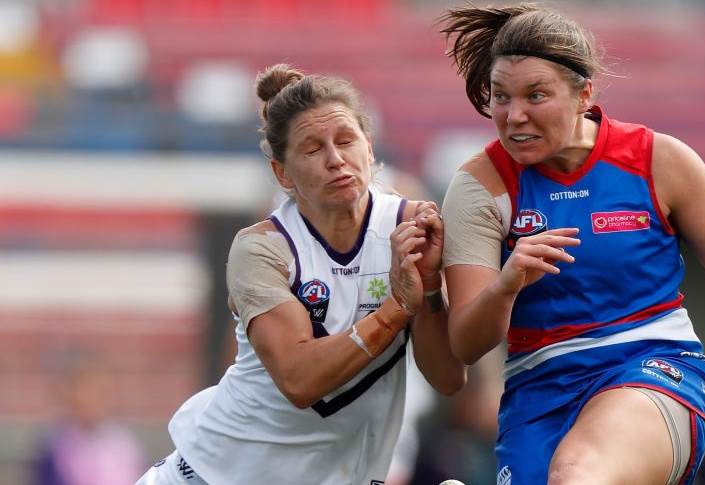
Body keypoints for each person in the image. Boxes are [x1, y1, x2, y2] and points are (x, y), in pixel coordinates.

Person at [436, 4, 705, 484]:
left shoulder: (659, 160)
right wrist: (506, 286)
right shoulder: (476, 187)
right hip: (539, 389)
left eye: (536, 95)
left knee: (577, 474)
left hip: (654, 366)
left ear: (582, 94)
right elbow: (467, 343)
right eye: (501, 97)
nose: (515, 116)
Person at [136, 64, 466, 485]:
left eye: (346, 141)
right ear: (282, 173)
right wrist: (397, 308)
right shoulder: (263, 247)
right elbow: (299, 380)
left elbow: (448, 379)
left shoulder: (410, 227)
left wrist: (431, 289)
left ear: (369, 147)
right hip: (215, 473)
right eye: (312, 149)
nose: (335, 159)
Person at [31, 350, 145, 485]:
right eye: (87, 389)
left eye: (101, 390)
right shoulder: (55, 448)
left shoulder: (124, 445)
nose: (94, 399)